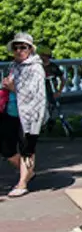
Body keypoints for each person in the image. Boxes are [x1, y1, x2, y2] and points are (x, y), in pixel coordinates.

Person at [2, 32, 46, 197]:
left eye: (23, 47)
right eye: (16, 47)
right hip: (11, 111)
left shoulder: (36, 68)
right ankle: (28, 171)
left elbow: (36, 94)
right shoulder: (13, 66)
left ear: (30, 49)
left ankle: (22, 182)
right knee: (6, 149)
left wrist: (14, 88)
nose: (19, 50)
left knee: (27, 148)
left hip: (29, 115)